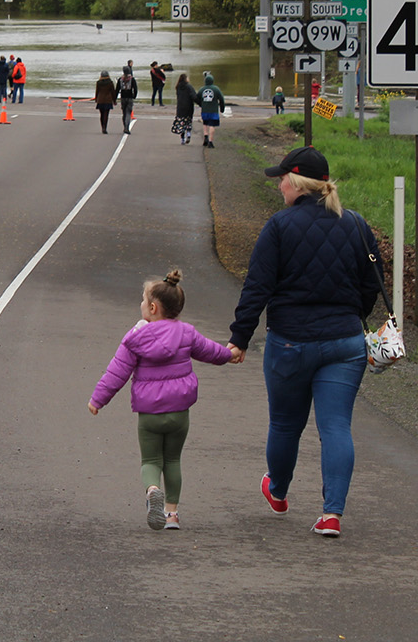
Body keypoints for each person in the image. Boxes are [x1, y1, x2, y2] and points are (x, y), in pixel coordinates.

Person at [227, 146, 381, 538]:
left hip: (290, 343)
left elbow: (257, 287)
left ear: (296, 182)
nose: (278, 185)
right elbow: (371, 284)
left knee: (284, 423)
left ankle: (278, 491)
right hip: (346, 344)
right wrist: (352, 318)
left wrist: (240, 337)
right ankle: (332, 514)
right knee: (335, 427)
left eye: (281, 178)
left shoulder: (279, 227)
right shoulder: (357, 224)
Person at [90, 270, 234, 529]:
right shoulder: (187, 333)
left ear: (153, 308)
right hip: (179, 411)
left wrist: (98, 400)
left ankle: (152, 489)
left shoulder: (135, 338)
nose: (141, 305)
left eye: (143, 301)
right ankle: (172, 514)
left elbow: (117, 372)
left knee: (151, 461)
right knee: (173, 460)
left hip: (150, 414)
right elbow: (211, 351)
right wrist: (229, 353)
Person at [197, 72, 226, 148]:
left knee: (205, 123)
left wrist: (201, 104)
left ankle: (205, 136)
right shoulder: (216, 89)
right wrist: (222, 108)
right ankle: (210, 141)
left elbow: (196, 98)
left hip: (204, 110)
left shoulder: (202, 89)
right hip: (213, 111)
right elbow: (221, 99)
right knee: (212, 125)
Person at [173, 73, 196, 145]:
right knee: (188, 121)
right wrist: (200, 103)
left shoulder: (178, 87)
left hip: (180, 107)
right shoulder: (189, 87)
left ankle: (182, 139)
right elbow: (194, 96)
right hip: (188, 107)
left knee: (181, 123)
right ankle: (188, 133)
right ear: (186, 79)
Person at [94, 70, 116, 134]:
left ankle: (102, 127)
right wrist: (114, 100)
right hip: (108, 100)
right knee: (106, 114)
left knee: (101, 114)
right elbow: (113, 92)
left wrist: (96, 99)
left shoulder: (98, 82)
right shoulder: (110, 83)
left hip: (100, 99)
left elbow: (97, 91)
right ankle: (105, 127)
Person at [117, 66, 138, 134]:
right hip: (129, 97)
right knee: (128, 112)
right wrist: (134, 96)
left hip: (123, 97)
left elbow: (117, 89)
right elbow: (135, 89)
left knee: (124, 113)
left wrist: (114, 98)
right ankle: (127, 127)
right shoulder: (132, 79)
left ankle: (125, 126)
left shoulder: (120, 79)